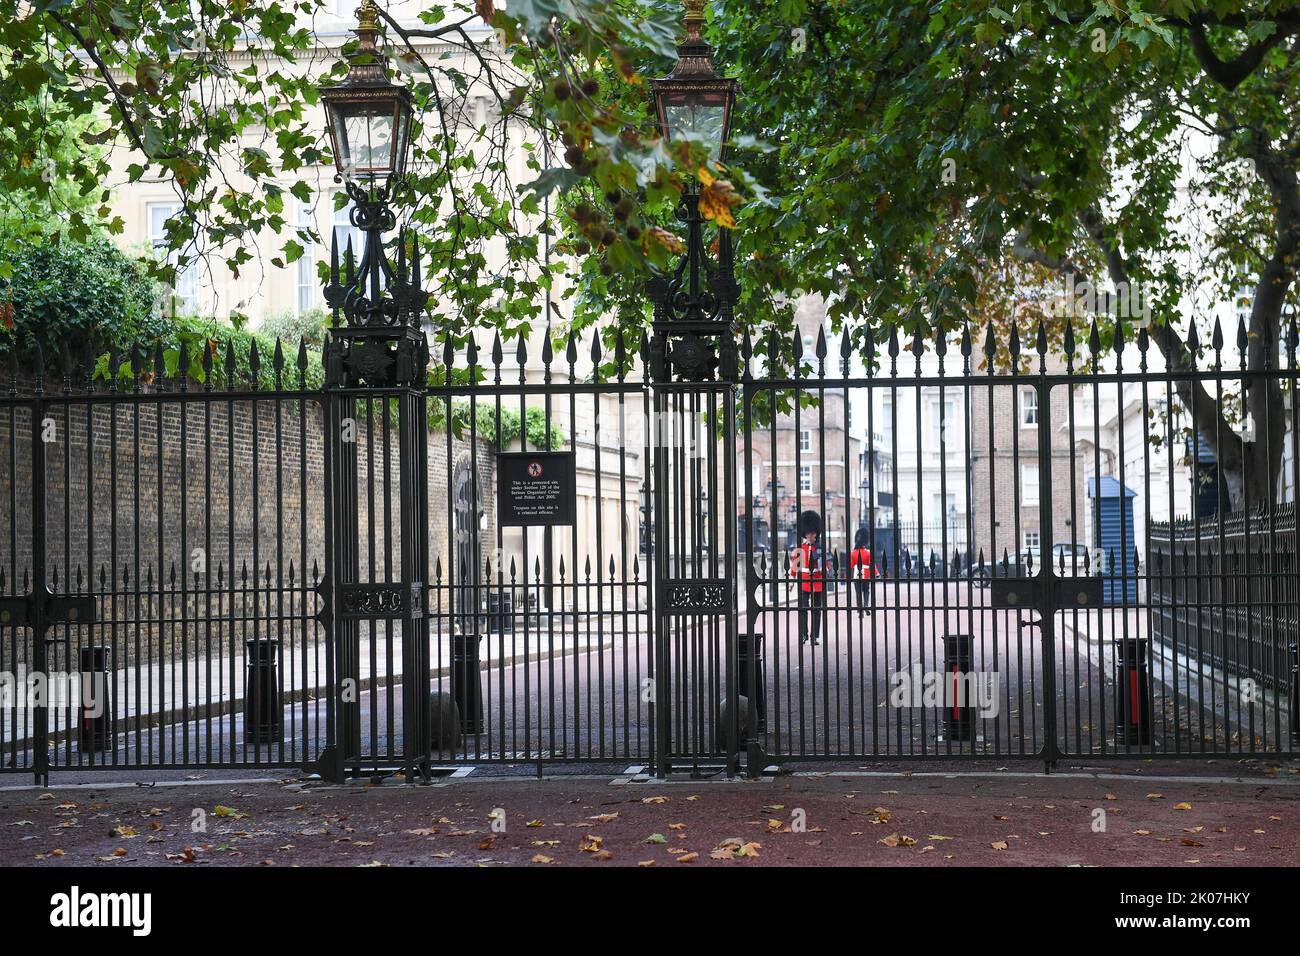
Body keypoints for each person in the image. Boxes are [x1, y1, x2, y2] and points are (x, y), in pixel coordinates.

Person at [790, 511, 825, 645]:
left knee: (816, 610)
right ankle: (803, 634)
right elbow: (794, 566)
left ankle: (814, 636)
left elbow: (827, 564)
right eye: (808, 533)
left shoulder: (820, 548)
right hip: (804, 581)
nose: (811, 536)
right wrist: (792, 581)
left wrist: (824, 568)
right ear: (805, 534)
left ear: (816, 533)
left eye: (813, 533)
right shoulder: (801, 548)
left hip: (817, 580)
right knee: (803, 609)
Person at [849, 528, 879, 616]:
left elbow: (850, 566)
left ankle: (860, 610)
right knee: (866, 591)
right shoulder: (868, 553)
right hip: (866, 574)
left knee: (858, 592)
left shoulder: (852, 553)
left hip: (856, 574)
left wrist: (847, 576)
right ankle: (865, 604)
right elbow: (872, 564)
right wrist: (877, 574)